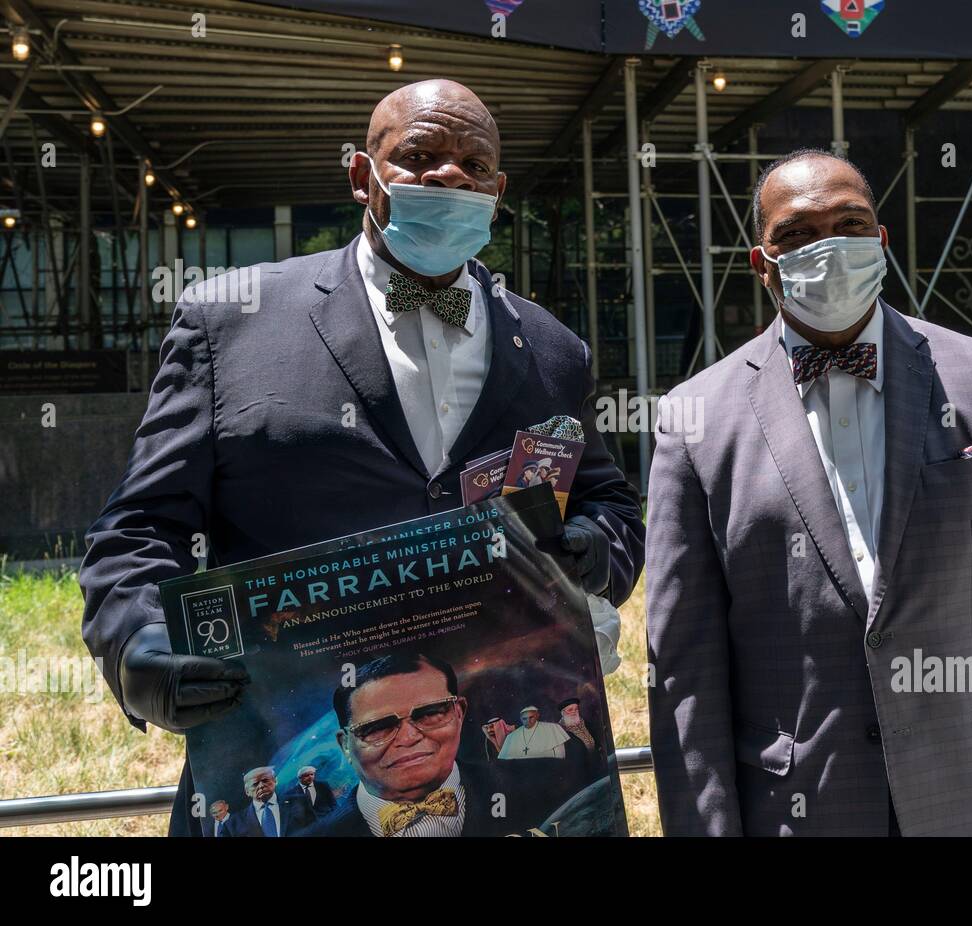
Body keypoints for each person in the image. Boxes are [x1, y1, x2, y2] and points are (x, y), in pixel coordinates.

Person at [78, 78, 644, 837]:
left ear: (498, 191)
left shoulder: (550, 347)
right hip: (284, 751)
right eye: (420, 156)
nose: (449, 175)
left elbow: (609, 504)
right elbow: (140, 527)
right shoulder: (230, 323)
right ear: (360, 176)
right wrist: (135, 644)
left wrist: (590, 552)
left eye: (474, 165)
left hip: (503, 779)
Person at [645, 148, 972, 836]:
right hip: (798, 810)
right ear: (760, 263)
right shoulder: (695, 421)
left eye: (851, 225)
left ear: (881, 242)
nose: (828, 247)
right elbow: (685, 673)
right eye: (797, 234)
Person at [310, 652, 571, 836]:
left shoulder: (555, 784)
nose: (409, 737)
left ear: (459, 713)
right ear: (345, 744)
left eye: (430, 713)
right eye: (377, 727)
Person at [219, 767, 314, 837]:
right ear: (247, 791)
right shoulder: (233, 824)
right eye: (255, 784)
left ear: (275, 781)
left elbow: (318, 831)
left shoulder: (300, 802)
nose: (261, 786)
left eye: (265, 780)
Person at [497, 706, 569, 760]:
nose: (528, 721)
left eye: (531, 717)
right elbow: (503, 759)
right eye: (524, 719)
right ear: (521, 719)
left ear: (537, 715)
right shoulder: (512, 736)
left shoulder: (552, 728)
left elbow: (561, 755)